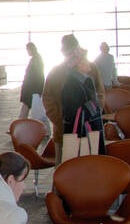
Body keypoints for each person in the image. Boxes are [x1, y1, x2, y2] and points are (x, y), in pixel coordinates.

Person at [42, 34, 103, 163]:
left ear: (77, 50)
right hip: (64, 132)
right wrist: (61, 120)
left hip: (88, 131)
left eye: (72, 52)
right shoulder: (56, 72)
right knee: (63, 171)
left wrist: (92, 116)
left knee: (87, 169)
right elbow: (48, 98)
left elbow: (100, 94)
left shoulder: (90, 69)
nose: (70, 57)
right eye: (67, 53)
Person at [18, 42, 44, 120]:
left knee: (25, 109)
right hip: (32, 90)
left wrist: (39, 90)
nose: (27, 52)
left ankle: (19, 126)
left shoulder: (35, 60)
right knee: (26, 109)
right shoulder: (36, 58)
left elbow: (38, 75)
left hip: (31, 90)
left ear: (31, 49)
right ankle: (19, 125)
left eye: (28, 50)